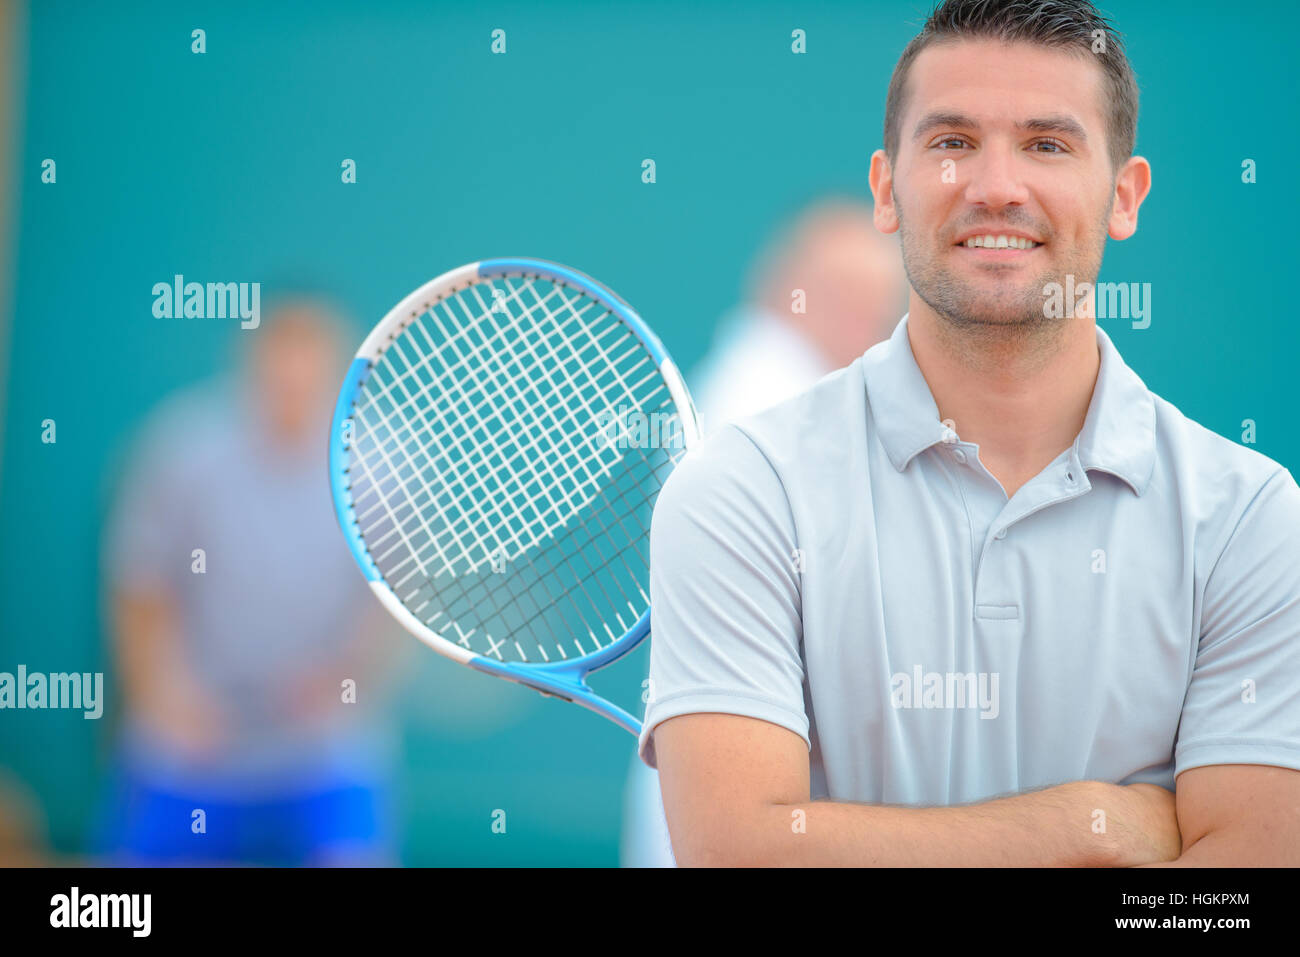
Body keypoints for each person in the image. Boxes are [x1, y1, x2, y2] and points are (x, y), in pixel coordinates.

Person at [639, 0, 1300, 866]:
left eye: (1048, 145)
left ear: (1124, 196)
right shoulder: (741, 487)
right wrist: (1079, 826)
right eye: (951, 142)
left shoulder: (1253, 518)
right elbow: (742, 853)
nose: (995, 185)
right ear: (887, 189)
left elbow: (1231, 900)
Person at [621, 199, 906, 866]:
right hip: (734, 787)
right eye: (852, 298)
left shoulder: (786, 387)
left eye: (881, 306)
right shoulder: (764, 396)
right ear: (791, 291)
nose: (872, 326)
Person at [97, 297, 403, 865]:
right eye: (277, 360)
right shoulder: (179, 449)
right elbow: (138, 587)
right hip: (190, 740)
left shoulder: (383, 467)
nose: (291, 380)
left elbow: (393, 608)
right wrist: (164, 695)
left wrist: (344, 683)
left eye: (309, 361)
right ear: (248, 363)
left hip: (321, 748)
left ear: (338, 368)